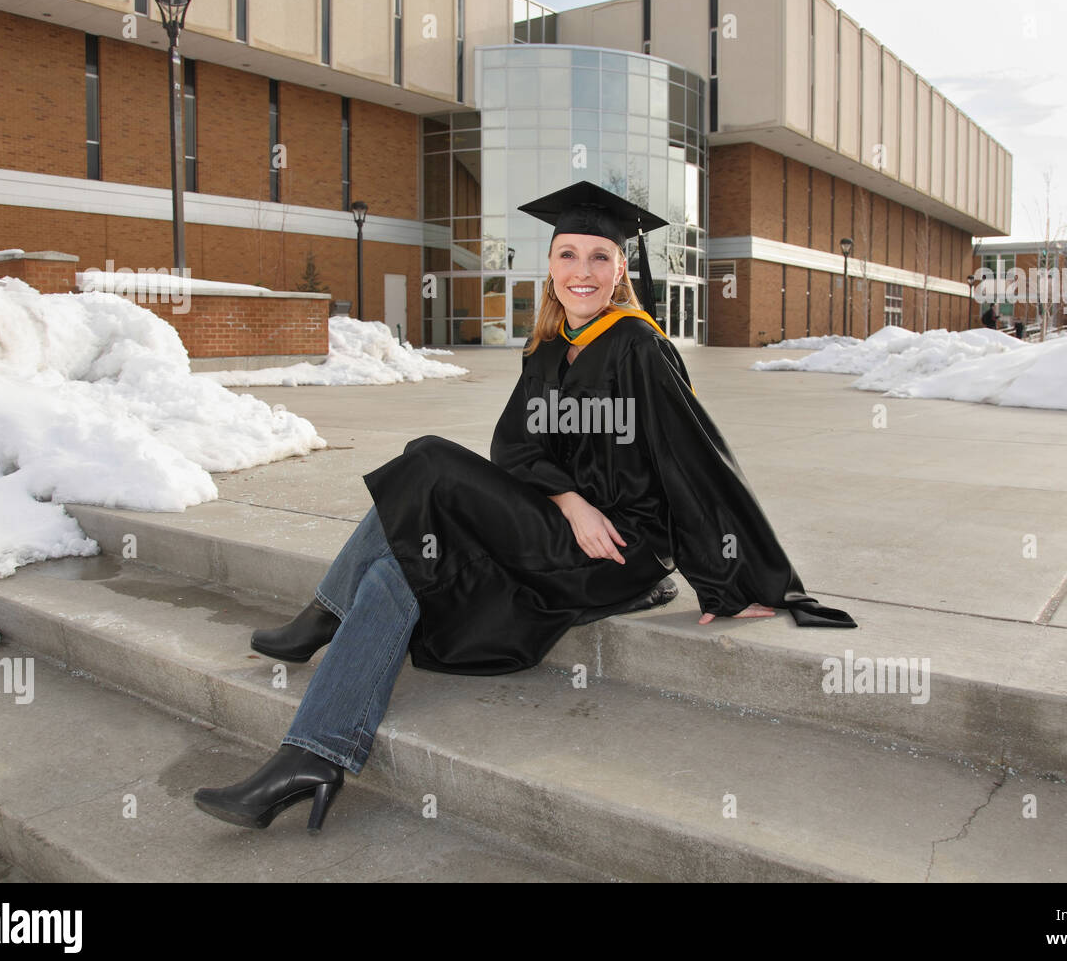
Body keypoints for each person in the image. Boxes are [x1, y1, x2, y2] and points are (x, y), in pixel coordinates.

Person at [193, 181, 856, 833]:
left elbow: (696, 463)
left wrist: (738, 579)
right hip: (561, 528)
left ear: (622, 268)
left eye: (599, 256)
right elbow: (514, 448)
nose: (583, 271)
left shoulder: (640, 348)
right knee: (398, 565)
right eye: (568, 254)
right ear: (549, 265)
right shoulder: (545, 351)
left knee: (424, 461)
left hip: (619, 549)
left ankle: (324, 618)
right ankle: (312, 757)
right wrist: (568, 501)